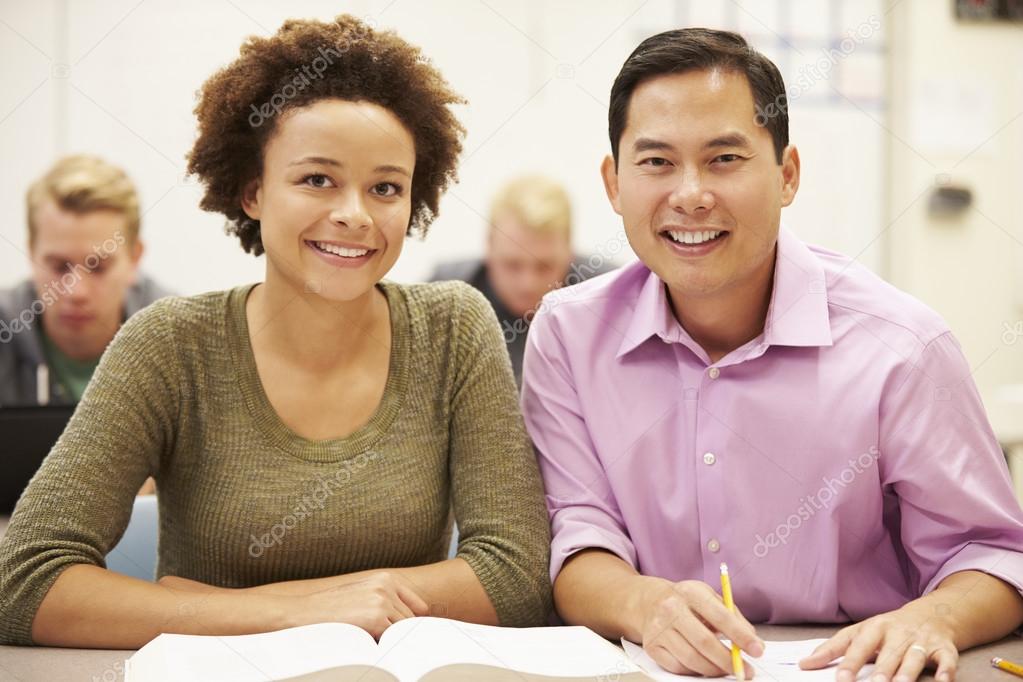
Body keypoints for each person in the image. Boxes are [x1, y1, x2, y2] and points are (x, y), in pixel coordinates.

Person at [0, 15, 551, 649]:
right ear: (253, 192)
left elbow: (516, 575)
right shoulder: (170, 345)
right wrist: (292, 612)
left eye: (385, 187)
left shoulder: (454, 328)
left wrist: (281, 603)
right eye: (317, 179)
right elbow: (26, 583)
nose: (355, 215)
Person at [521, 27, 1023, 682]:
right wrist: (644, 605)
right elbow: (579, 537)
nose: (690, 194)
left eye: (724, 158)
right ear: (614, 184)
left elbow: (991, 555)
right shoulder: (568, 335)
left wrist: (935, 618)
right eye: (657, 162)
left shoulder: (901, 347)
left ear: (786, 175)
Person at [0, 155, 171, 407]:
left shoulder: (175, 338)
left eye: (98, 268)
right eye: (59, 266)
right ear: (31, 254)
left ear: (134, 258)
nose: (76, 292)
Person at [430, 175, 613, 383]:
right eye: (512, 265)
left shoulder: (611, 297)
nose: (528, 284)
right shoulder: (446, 298)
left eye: (544, 267)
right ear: (489, 245)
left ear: (569, 249)